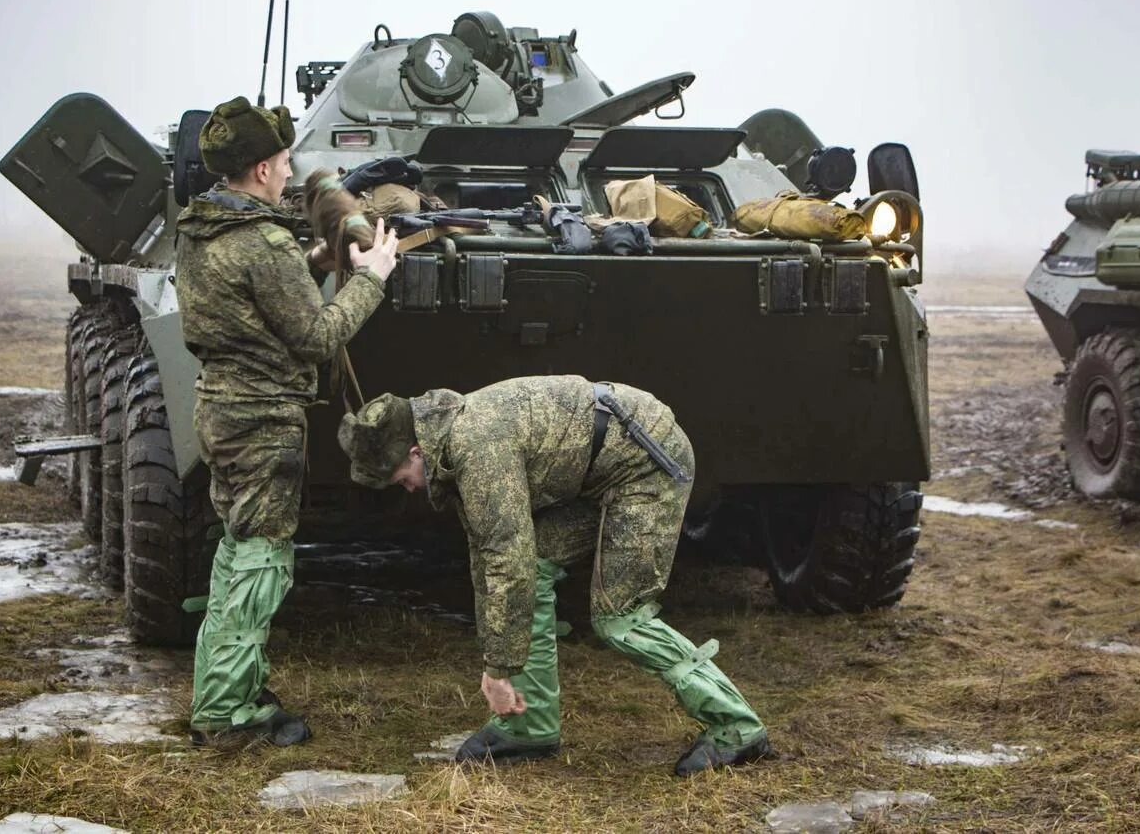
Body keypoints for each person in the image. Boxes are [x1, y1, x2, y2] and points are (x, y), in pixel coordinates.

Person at [338, 375, 771, 775]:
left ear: (417, 451)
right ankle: (529, 726)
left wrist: (499, 669)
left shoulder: (477, 446)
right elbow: (490, 556)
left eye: (401, 479)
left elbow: (508, 561)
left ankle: (736, 727)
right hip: (599, 472)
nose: (408, 488)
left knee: (620, 619)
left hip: (646, 462)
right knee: (536, 563)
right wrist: (498, 661)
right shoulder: (450, 443)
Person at [175, 95, 399, 747]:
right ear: (267, 168)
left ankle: (229, 686)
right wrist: (372, 277)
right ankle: (229, 713)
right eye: (284, 158)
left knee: (237, 553)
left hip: (221, 407)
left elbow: (251, 297)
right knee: (261, 563)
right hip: (265, 418)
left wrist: (316, 265)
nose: (289, 165)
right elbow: (317, 336)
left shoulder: (204, 227)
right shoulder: (265, 240)